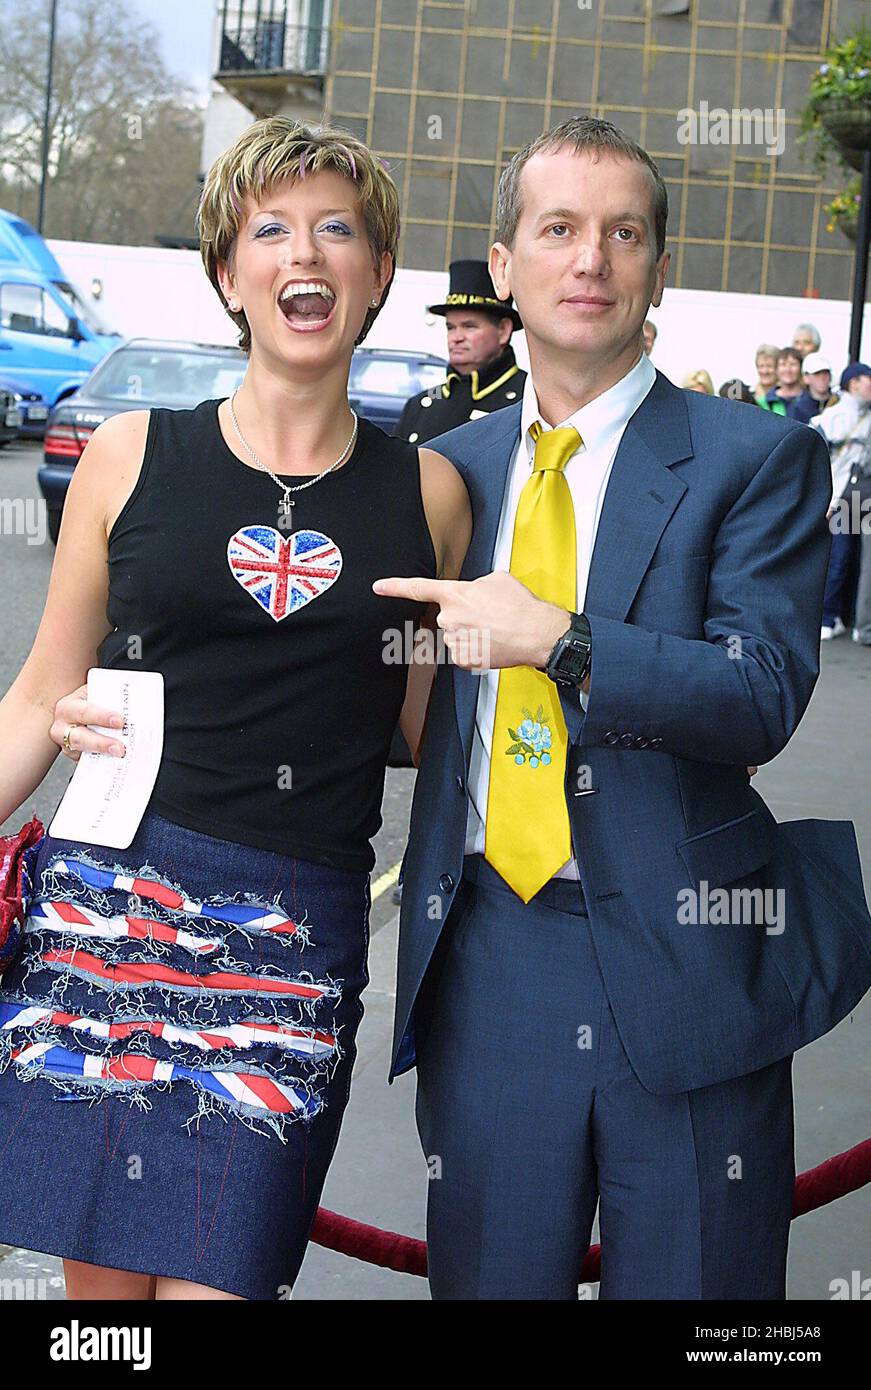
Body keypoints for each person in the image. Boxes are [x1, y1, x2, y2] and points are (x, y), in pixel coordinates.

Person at [375, 115, 871, 1300]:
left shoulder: (751, 457)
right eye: (557, 229)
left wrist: (562, 640)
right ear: (505, 266)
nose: (588, 259)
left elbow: (757, 696)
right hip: (491, 957)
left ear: (658, 266)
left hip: (688, 956)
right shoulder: (449, 468)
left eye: (622, 233)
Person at [0, 116, 470, 1301]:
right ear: (230, 275)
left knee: (226, 1282)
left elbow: (427, 733)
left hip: (292, 937)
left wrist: (569, 671)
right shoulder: (126, 453)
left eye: (336, 230)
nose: (302, 250)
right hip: (112, 908)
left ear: (371, 280)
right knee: (102, 1319)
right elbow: (41, 687)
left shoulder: (433, 493)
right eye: (270, 229)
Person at [394, 260, 526, 445]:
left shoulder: (530, 400)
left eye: (469, 327)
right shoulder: (421, 404)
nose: (456, 337)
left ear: (503, 330)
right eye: (451, 327)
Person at [808, 361, 871, 641]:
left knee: (857, 561)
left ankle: (851, 620)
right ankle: (827, 616)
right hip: (837, 499)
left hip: (859, 497)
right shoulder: (831, 417)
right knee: (839, 558)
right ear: (853, 383)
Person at [789, 351, 839, 424]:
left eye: (825, 373)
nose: (822, 377)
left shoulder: (840, 403)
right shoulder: (797, 408)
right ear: (806, 378)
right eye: (817, 373)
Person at [764, 346, 804, 412]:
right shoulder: (765, 402)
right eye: (783, 364)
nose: (788, 370)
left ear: (801, 368)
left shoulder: (812, 400)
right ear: (776, 369)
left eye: (793, 364)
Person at [753, 342, 781, 407]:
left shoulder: (785, 396)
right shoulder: (752, 394)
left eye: (769, 366)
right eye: (761, 366)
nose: (765, 371)